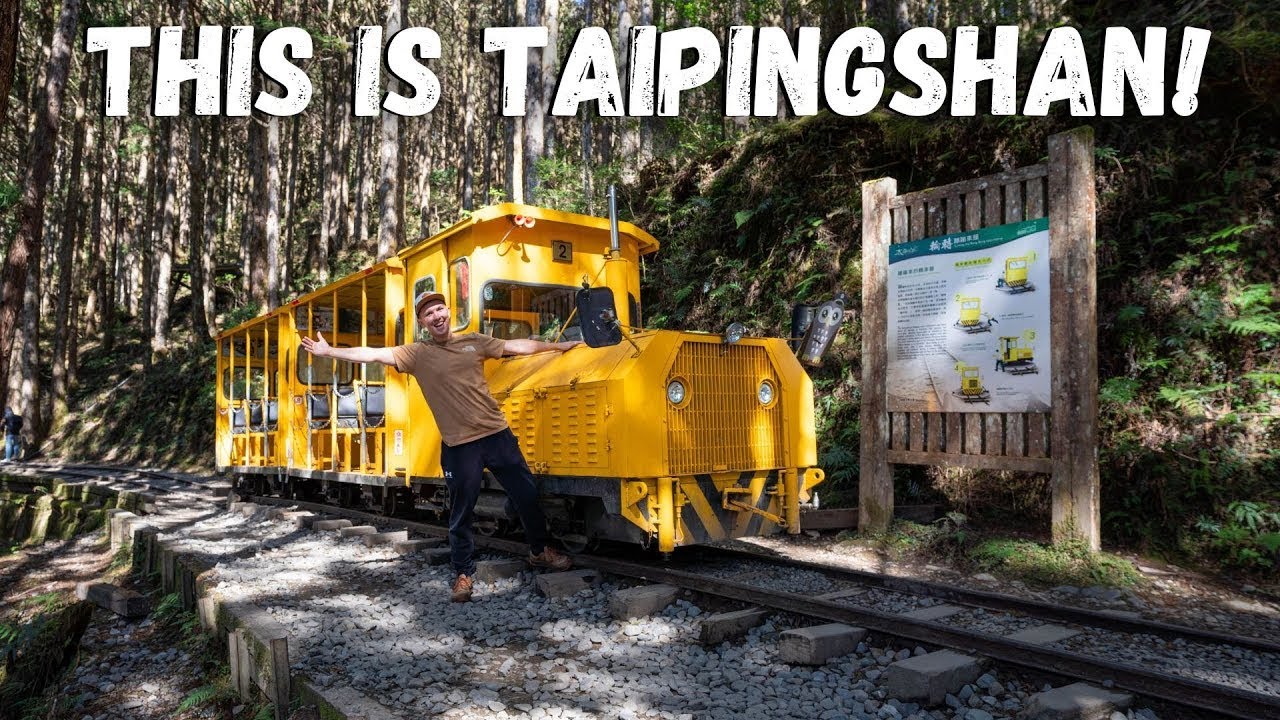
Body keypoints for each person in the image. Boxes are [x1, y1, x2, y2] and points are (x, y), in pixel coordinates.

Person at [301, 291, 579, 602]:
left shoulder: (474, 341)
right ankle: (463, 574)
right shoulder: (417, 354)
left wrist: (558, 345)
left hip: (497, 434)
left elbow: (516, 346)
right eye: (428, 313)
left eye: (439, 309)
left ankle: (540, 551)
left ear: (448, 311)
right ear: (422, 323)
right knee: (462, 511)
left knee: (527, 494)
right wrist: (330, 352)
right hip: (460, 446)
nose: (436, 316)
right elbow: (374, 354)